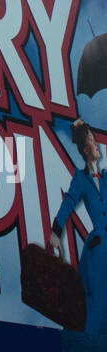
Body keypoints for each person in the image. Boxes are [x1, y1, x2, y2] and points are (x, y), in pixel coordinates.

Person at [49, 119, 107, 333]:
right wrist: (56, 232)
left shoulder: (106, 178)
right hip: (100, 249)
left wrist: (85, 125)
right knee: (97, 300)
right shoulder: (81, 179)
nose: (97, 144)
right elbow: (69, 202)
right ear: (85, 148)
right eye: (92, 140)